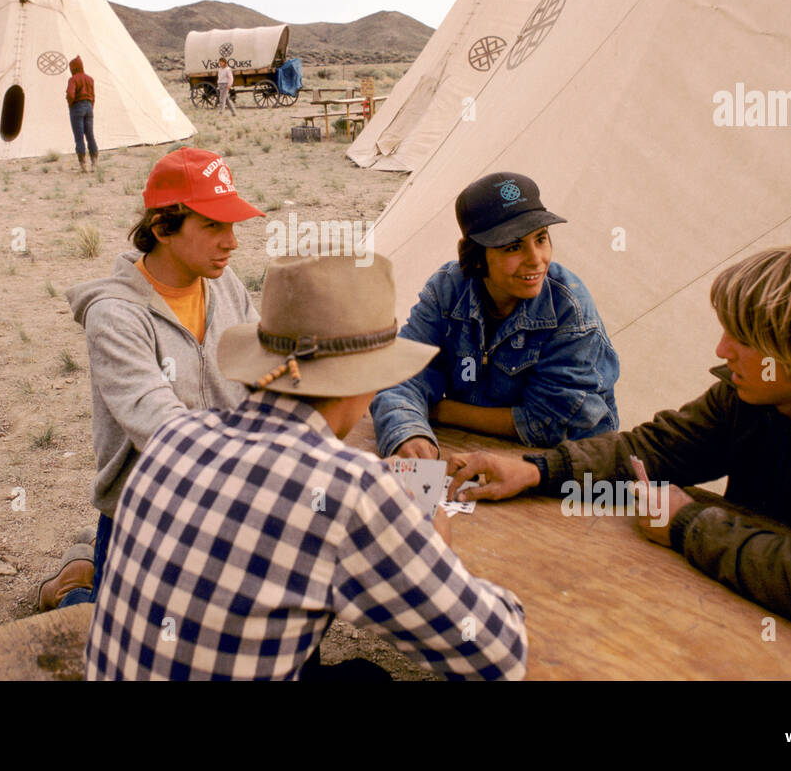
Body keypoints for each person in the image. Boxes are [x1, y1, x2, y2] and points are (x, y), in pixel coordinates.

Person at [447, 246, 791, 645]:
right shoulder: (760, 390)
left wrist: (685, 524)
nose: (722, 349)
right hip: (772, 599)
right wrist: (538, 471)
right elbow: (655, 448)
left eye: (740, 337)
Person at [85, 253, 529, 680]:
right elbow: (498, 653)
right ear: (369, 379)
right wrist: (437, 550)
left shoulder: (173, 439)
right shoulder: (351, 493)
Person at [43, 147, 264, 610]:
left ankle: (85, 567)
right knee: (119, 649)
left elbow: (261, 363)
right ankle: (74, 589)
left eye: (232, 225)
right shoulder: (115, 316)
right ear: (163, 228)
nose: (232, 242)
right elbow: (163, 428)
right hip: (150, 520)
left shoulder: (223, 283)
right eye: (213, 226)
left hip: (227, 503)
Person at [371, 172, 619, 461]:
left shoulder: (568, 307)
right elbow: (402, 375)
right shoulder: (447, 290)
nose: (536, 258)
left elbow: (550, 423)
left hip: (564, 471)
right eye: (513, 247)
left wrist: (443, 410)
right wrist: (409, 432)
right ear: (477, 257)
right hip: (466, 450)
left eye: (541, 239)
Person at [65, 54, 97, 172]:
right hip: (89, 107)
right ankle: (94, 162)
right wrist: (90, 107)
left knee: (79, 137)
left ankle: (83, 164)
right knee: (90, 135)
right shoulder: (90, 79)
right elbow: (93, 96)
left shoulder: (73, 79)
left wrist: (71, 104)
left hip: (77, 107)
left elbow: (70, 94)